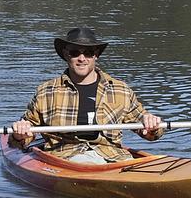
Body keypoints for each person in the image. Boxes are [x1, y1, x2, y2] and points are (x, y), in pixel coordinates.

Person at [9, 27, 163, 163]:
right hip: (66, 157)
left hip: (114, 157)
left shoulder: (121, 90)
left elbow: (151, 135)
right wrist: (19, 135)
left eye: (88, 53)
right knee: (88, 161)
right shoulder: (46, 92)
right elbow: (21, 140)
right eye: (75, 52)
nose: (82, 58)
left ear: (96, 55)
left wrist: (151, 124)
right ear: (66, 54)